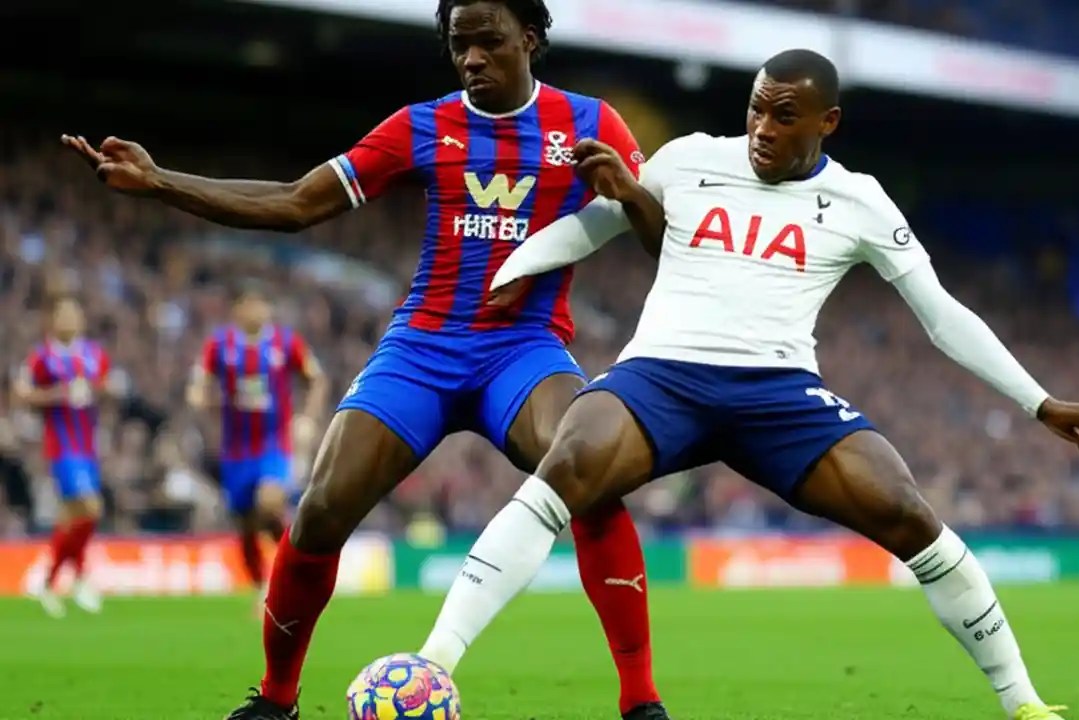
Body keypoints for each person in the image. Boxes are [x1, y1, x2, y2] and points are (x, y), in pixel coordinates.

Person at [418, 49, 1079, 720]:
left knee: (910, 513)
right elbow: (590, 227)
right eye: (756, 109)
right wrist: (518, 268)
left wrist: (1040, 402)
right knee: (565, 466)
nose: (762, 128)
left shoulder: (861, 201)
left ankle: (1024, 701)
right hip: (662, 374)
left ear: (828, 123)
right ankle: (434, 666)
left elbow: (942, 316)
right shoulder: (691, 157)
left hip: (780, 395)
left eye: (784, 116)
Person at [61, 1, 670, 718]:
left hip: (526, 349)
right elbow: (295, 202)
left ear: (529, 39)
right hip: (423, 347)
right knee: (319, 510)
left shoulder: (594, 124)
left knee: (590, 478)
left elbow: (666, 245)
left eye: (488, 42)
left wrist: (631, 195)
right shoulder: (422, 125)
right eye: (458, 45)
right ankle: (276, 699)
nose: (471, 58)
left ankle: (641, 703)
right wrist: (162, 181)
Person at [187, 282, 327, 611]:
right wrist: (199, 394)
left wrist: (308, 418)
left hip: (274, 444)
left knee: (270, 502)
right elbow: (200, 382)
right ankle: (261, 587)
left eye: (262, 304)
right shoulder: (220, 345)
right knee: (247, 526)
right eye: (250, 305)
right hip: (236, 451)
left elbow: (316, 379)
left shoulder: (286, 342)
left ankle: (295, 575)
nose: (257, 311)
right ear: (237, 310)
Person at [13, 295, 114, 618]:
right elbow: (21, 392)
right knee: (91, 505)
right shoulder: (42, 358)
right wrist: (57, 394)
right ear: (52, 321)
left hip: (88, 446)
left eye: (75, 313)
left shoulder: (92, 354)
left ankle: (48, 581)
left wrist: (101, 390)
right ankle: (81, 577)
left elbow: (107, 386)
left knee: (73, 517)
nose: (71, 320)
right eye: (64, 315)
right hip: (62, 445)